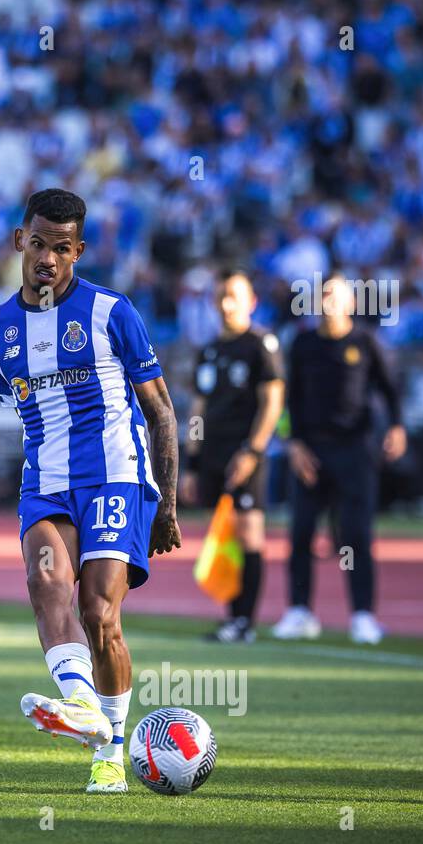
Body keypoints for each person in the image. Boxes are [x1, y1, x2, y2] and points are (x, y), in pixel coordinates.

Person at [0, 189, 180, 795]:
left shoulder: (113, 312)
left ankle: (109, 751)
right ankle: (84, 708)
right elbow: (26, 408)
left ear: (78, 251)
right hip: (45, 481)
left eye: (62, 249)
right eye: (38, 243)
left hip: (116, 474)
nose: (48, 259)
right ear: (19, 241)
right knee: (44, 581)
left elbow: (162, 412)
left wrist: (166, 504)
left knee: (99, 615)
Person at [273, 274, 406, 646]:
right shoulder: (302, 344)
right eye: (323, 294)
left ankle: (363, 615)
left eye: (335, 294)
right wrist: (294, 444)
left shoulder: (365, 342)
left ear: (351, 303)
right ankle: (300, 610)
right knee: (300, 532)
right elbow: (289, 399)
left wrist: (397, 428)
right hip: (309, 453)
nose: (327, 300)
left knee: (356, 535)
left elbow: (390, 388)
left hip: (354, 451)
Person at [181, 270, 285, 643]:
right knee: (226, 533)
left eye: (234, 296)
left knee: (249, 532)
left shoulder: (260, 344)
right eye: (221, 296)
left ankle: (244, 621)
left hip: (245, 454)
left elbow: (272, 402)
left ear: (251, 301)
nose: (227, 304)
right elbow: (198, 408)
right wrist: (190, 462)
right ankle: (233, 618)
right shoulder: (210, 350)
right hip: (213, 453)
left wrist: (254, 450)